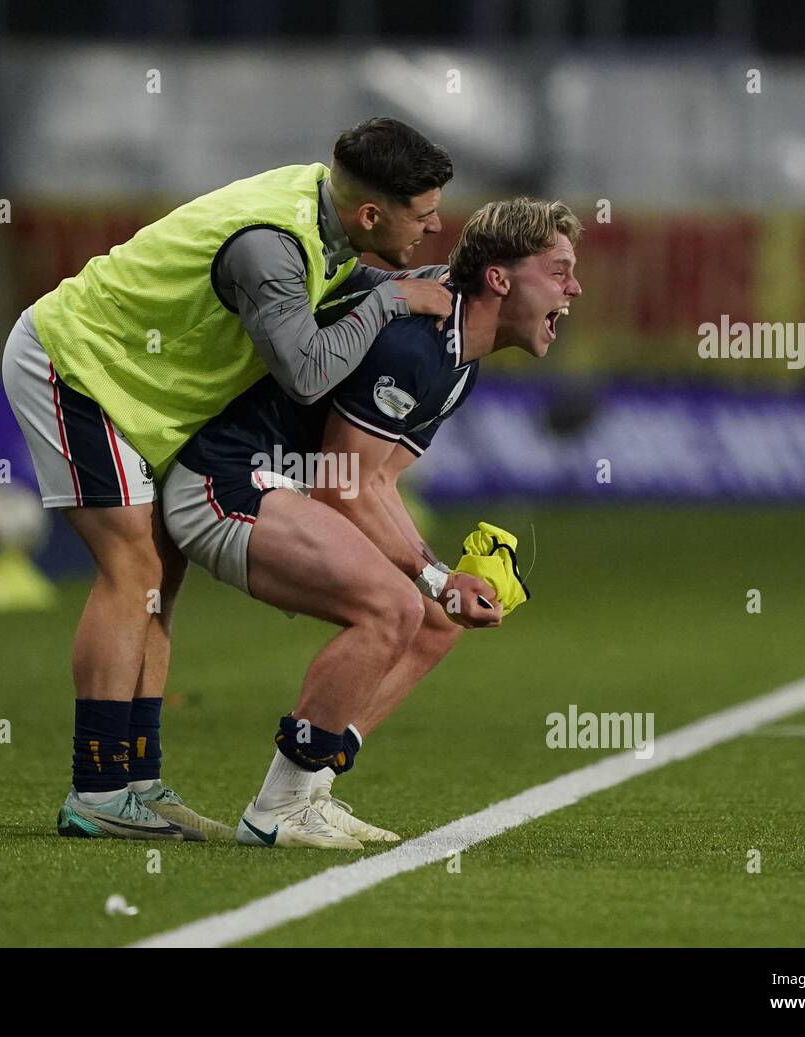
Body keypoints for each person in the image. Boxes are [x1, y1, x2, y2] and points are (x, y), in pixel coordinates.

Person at [1, 118, 455, 840]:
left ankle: (137, 783)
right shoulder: (272, 245)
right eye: (424, 217)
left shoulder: (327, 217)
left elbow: (347, 284)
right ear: (371, 213)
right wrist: (390, 301)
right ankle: (96, 789)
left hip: (141, 389)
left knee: (160, 575)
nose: (434, 229)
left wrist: (405, 285)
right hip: (75, 365)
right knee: (133, 566)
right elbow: (306, 373)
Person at [160, 197, 583, 847]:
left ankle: (312, 789)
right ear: (500, 277)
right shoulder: (420, 344)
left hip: (285, 484)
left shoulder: (460, 353)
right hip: (228, 482)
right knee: (394, 608)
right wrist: (432, 574)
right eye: (559, 271)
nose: (574, 287)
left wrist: (442, 582)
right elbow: (341, 481)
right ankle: (276, 807)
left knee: (434, 621)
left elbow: (377, 478)